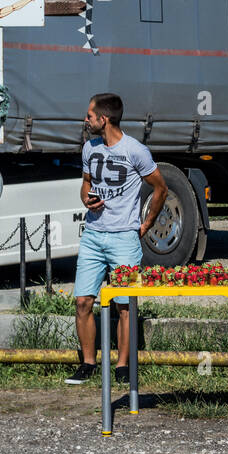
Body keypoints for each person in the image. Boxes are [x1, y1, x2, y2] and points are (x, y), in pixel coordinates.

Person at [66, 94, 168, 386]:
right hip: (93, 236)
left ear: (104, 119)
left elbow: (160, 188)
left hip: (124, 237)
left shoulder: (136, 151)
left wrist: (146, 224)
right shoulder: (89, 147)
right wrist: (87, 199)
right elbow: (86, 184)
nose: (86, 120)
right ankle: (88, 363)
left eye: (89, 116)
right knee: (83, 301)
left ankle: (123, 366)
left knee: (125, 305)